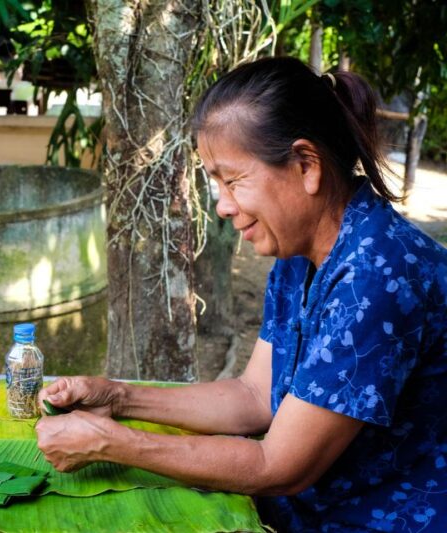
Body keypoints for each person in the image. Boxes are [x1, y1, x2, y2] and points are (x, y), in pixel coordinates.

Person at [35, 56, 447, 532]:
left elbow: (279, 464)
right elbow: (256, 397)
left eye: (231, 180)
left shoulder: (379, 275)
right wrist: (119, 397)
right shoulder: (301, 254)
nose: (222, 205)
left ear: (305, 165)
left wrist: (111, 442)